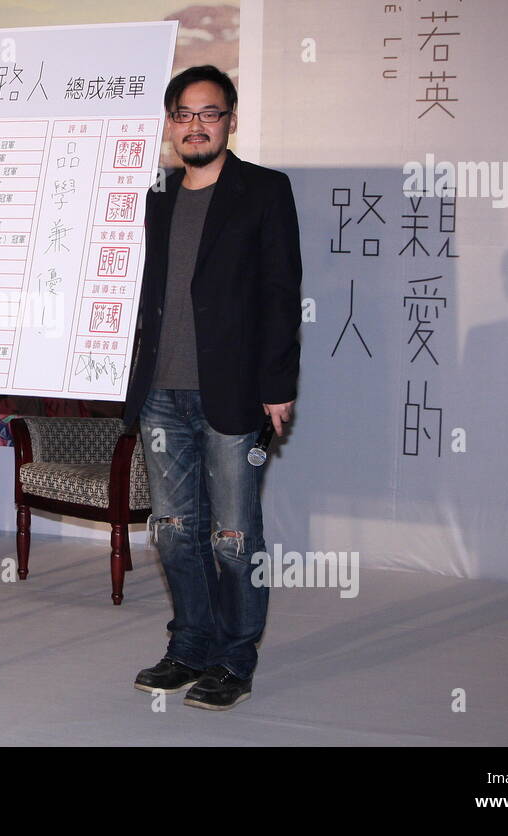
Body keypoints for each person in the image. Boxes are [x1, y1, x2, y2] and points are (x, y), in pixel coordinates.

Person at [123, 65, 302, 710]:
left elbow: (282, 294)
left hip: (232, 389)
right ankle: (189, 645)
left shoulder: (263, 191)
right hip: (159, 392)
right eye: (183, 114)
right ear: (169, 123)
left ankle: (235, 657)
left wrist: (278, 384)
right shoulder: (149, 195)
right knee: (174, 528)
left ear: (230, 120)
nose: (195, 125)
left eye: (210, 112)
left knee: (233, 534)